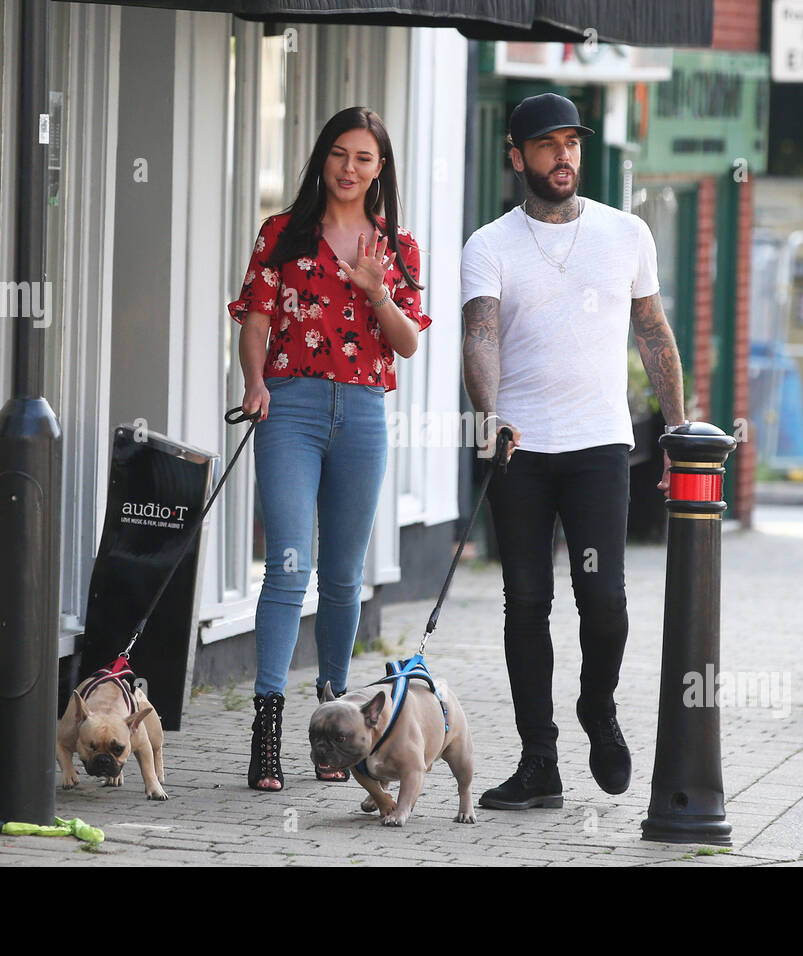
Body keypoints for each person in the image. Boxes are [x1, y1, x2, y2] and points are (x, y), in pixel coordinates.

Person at [459, 92, 687, 810]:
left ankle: (598, 704)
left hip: (599, 446)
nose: (564, 156)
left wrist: (677, 431)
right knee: (526, 602)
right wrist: (490, 417)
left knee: (604, 599)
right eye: (547, 144)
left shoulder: (626, 233)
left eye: (572, 143)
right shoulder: (489, 244)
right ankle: (539, 763)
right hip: (519, 449)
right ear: (516, 156)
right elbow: (480, 337)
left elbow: (653, 332)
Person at [228, 107, 431, 792]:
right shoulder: (282, 233)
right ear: (323, 158)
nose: (349, 168)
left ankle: (337, 728)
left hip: (363, 413)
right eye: (340, 154)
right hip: (290, 407)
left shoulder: (397, 247)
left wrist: (377, 293)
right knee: (290, 567)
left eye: (363, 158)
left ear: (380, 169)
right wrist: (255, 383)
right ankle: (266, 729)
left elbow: (406, 342)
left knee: (344, 577)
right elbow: (255, 321)